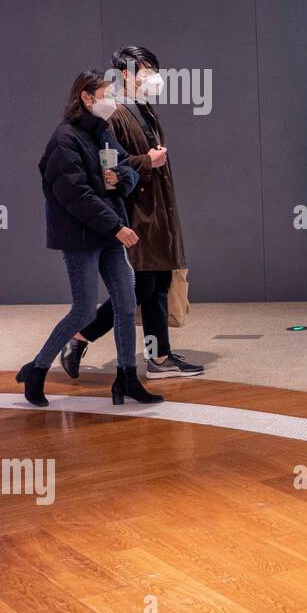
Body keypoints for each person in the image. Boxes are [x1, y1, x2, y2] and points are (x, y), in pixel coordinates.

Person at [17, 70, 163, 407]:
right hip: (82, 237)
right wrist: (116, 225)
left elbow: (125, 167)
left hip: (109, 233)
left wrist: (120, 179)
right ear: (86, 97)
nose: (112, 100)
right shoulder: (63, 140)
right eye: (107, 94)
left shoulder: (103, 132)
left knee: (126, 304)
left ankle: (126, 378)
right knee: (83, 310)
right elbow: (76, 195)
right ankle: (37, 369)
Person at [59, 46, 202, 380]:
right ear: (126, 74)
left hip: (157, 210)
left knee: (158, 284)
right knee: (140, 288)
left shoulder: (144, 109)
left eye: (154, 68)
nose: (153, 75)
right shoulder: (116, 111)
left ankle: (159, 358)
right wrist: (146, 162)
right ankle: (79, 337)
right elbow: (107, 162)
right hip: (136, 212)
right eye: (146, 69)